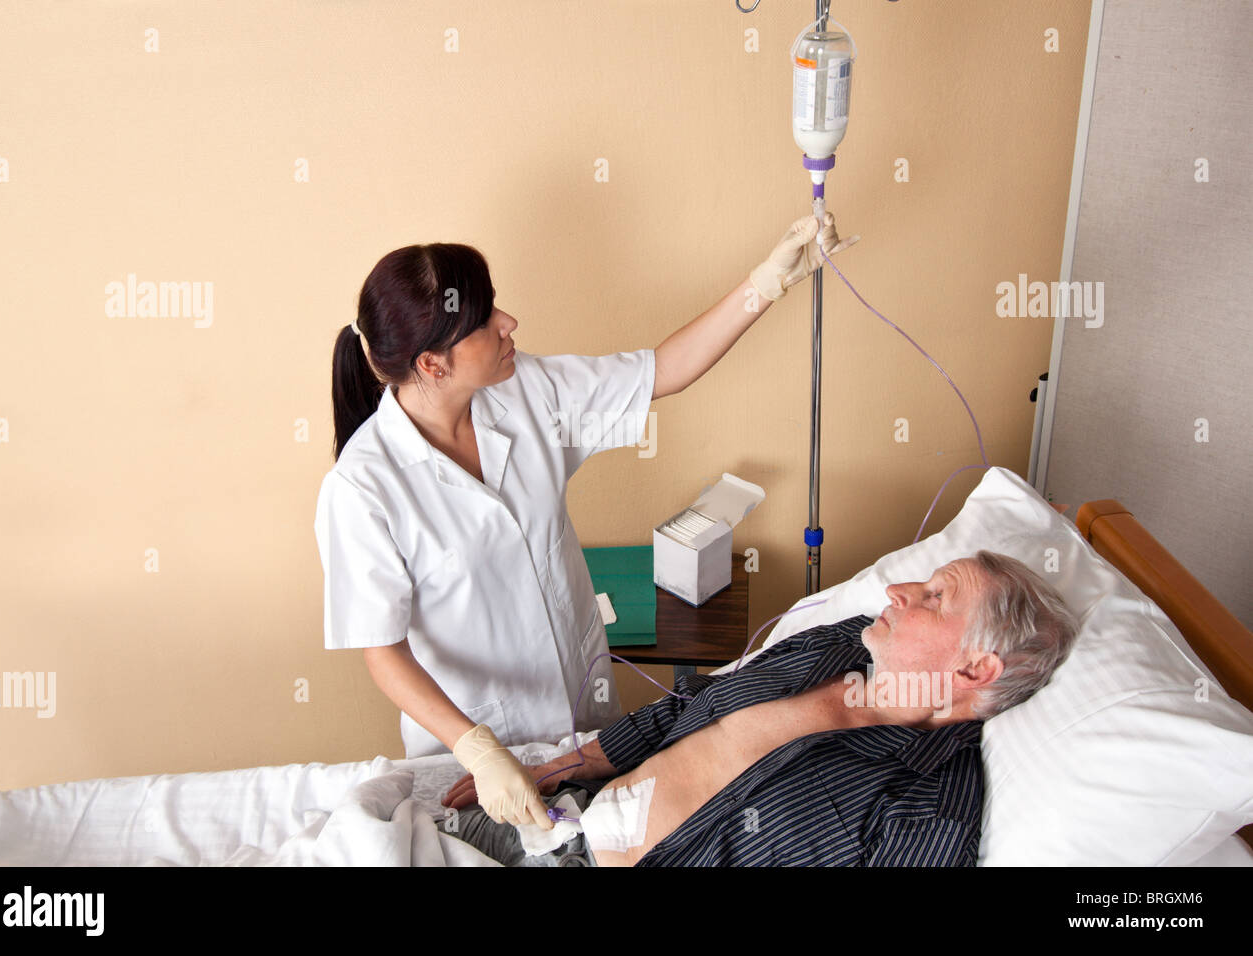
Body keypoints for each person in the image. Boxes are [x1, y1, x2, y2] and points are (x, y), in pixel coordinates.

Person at [315, 212, 860, 830]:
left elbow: (661, 371)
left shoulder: (525, 391)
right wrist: (478, 750)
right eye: (486, 318)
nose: (508, 322)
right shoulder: (362, 488)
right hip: (475, 756)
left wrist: (765, 284)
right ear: (433, 364)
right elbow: (383, 650)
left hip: (585, 719)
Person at [442, 550, 1080, 864]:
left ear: (975, 670)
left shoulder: (929, 806)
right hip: (563, 818)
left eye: (936, 598)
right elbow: (684, 709)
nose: (900, 589)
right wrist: (553, 769)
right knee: (408, 825)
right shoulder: (841, 645)